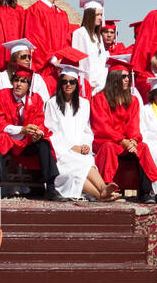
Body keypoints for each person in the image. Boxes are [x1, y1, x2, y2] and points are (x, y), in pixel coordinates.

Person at [90, 57, 157, 201]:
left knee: (143, 147)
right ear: (114, 79)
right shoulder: (99, 99)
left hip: (126, 142)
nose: (127, 79)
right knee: (109, 147)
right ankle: (108, 187)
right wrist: (122, 141)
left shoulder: (133, 100)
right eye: (124, 76)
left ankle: (147, 192)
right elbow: (102, 126)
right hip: (107, 140)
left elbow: (134, 125)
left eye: (128, 76)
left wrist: (133, 140)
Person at [0, 67, 59, 198]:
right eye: (16, 80)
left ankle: (51, 188)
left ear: (29, 85)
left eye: (23, 81)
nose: (19, 84)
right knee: (0, 139)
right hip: (8, 140)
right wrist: (22, 129)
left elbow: (40, 121)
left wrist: (38, 132)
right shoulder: (0, 96)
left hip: (26, 142)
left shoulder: (36, 99)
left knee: (44, 142)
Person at [45, 67, 111, 201]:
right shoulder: (52, 103)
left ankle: (103, 190)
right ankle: (102, 192)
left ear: (77, 84)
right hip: (62, 153)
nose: (68, 85)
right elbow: (51, 131)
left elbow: (86, 129)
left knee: (85, 160)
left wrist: (85, 145)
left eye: (72, 82)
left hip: (80, 150)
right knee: (80, 165)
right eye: (64, 82)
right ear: (60, 84)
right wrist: (71, 147)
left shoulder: (84, 104)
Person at [24, 0, 71, 64]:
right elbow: (36, 39)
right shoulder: (35, 11)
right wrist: (53, 60)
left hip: (61, 65)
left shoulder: (62, 14)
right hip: (44, 66)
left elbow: (66, 40)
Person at [71, 0, 109, 95]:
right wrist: (88, 81)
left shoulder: (98, 36)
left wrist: (100, 81)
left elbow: (101, 60)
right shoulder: (80, 33)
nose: (101, 18)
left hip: (99, 85)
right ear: (89, 15)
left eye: (101, 14)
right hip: (86, 85)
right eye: (97, 15)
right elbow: (80, 60)